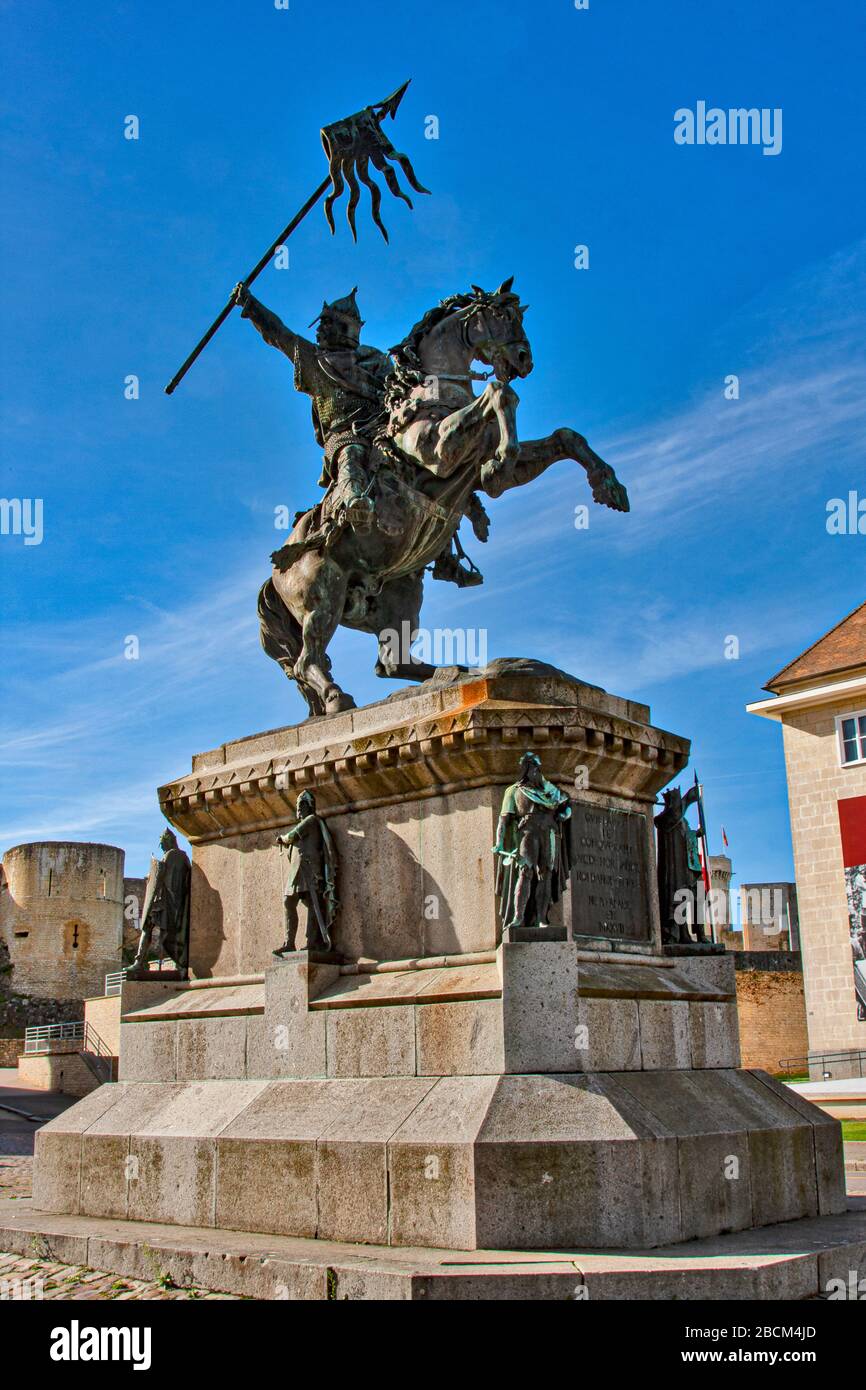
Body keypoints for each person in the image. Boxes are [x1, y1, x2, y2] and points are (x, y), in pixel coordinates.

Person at [274, 791, 338, 955]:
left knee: (312, 904)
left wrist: (282, 839)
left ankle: (312, 942)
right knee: (289, 901)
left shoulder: (312, 820)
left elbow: (292, 835)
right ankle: (289, 942)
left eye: (302, 805)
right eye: (298, 805)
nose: (299, 809)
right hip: (297, 871)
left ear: (309, 806)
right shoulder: (307, 821)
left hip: (308, 871)